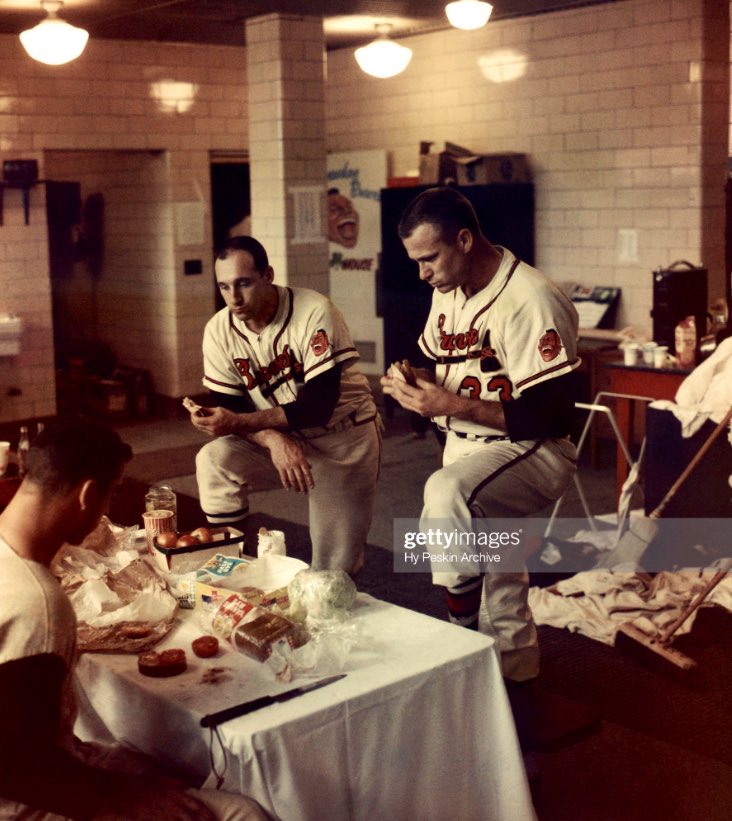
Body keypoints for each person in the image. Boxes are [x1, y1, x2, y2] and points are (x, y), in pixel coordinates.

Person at [0, 417, 266, 821]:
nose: (107, 508)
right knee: (240, 811)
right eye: (110, 495)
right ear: (87, 494)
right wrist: (128, 797)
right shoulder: (33, 601)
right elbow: (17, 772)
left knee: (164, 770)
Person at [382, 187, 579, 682]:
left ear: (465, 240)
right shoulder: (446, 292)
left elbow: (554, 414)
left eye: (429, 258)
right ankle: (517, 676)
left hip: (533, 449)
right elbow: (447, 365)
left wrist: (446, 404)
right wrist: (418, 382)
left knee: (448, 498)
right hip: (467, 444)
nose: (422, 272)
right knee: (498, 573)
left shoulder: (530, 298)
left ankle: (460, 645)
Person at [190, 235, 381, 574]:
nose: (233, 297)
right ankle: (231, 569)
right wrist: (274, 439)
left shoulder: (314, 311)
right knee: (214, 459)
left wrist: (238, 423)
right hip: (280, 434)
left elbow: (318, 406)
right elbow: (233, 408)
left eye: (243, 283)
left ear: (268, 275)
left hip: (342, 437)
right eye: (224, 287)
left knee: (332, 572)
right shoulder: (218, 330)